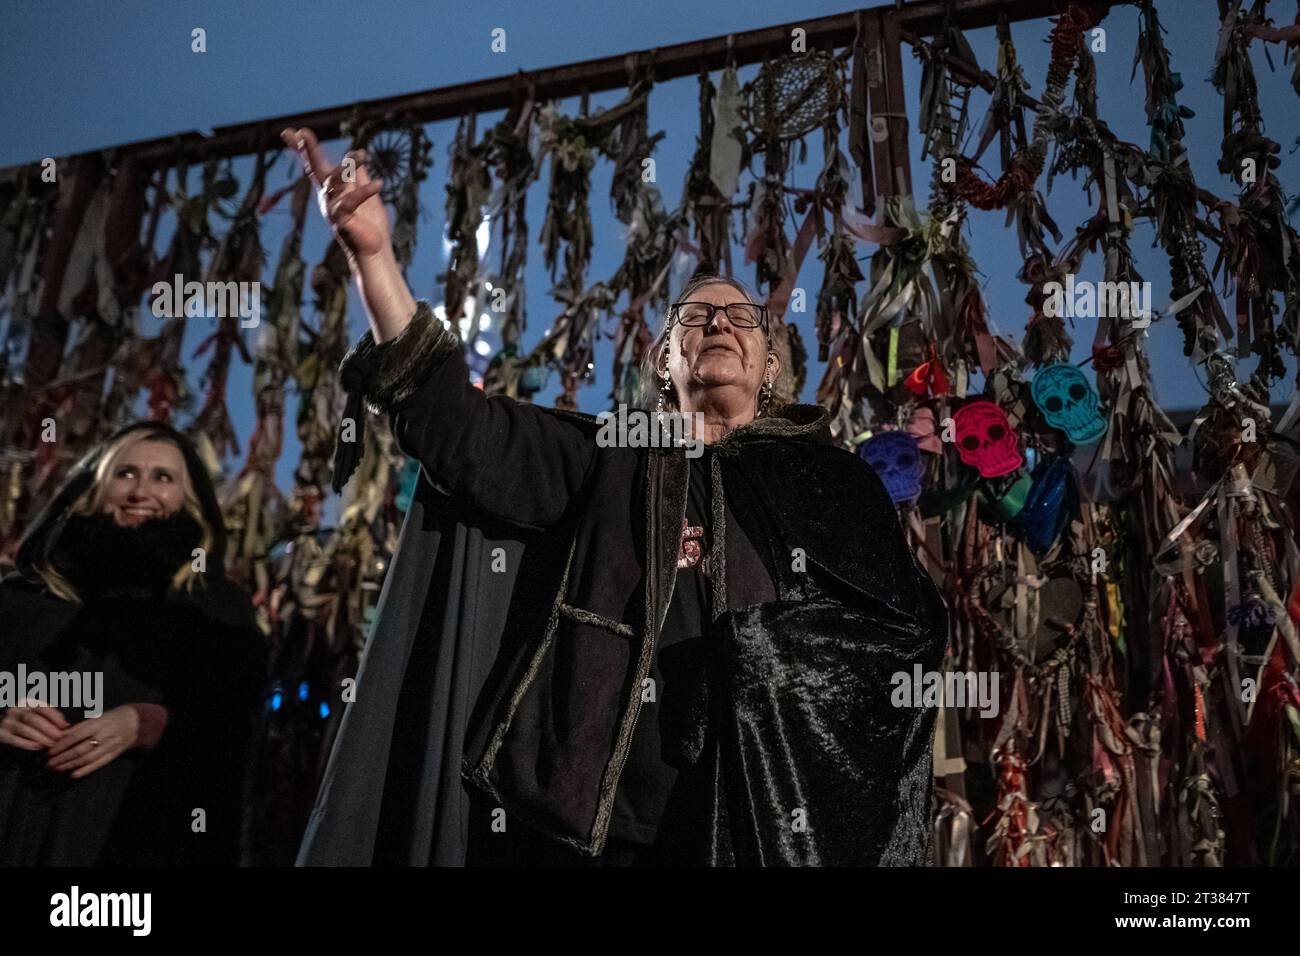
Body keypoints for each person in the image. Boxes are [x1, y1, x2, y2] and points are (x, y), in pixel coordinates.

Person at [286, 126, 949, 866]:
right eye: (694, 318)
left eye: (740, 318)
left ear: (770, 366)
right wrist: (373, 256)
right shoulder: (613, 456)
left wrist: (769, 656)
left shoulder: (834, 483)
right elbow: (458, 427)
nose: (719, 325)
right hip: (603, 831)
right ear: (666, 362)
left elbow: (902, 639)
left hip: (769, 828)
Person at [0, 421, 266, 866]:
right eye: (125, 473)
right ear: (95, 487)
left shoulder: (216, 614)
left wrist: (151, 723)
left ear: (190, 499)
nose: (140, 490)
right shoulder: (21, 598)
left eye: (163, 477)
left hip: (131, 840)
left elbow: (235, 733)